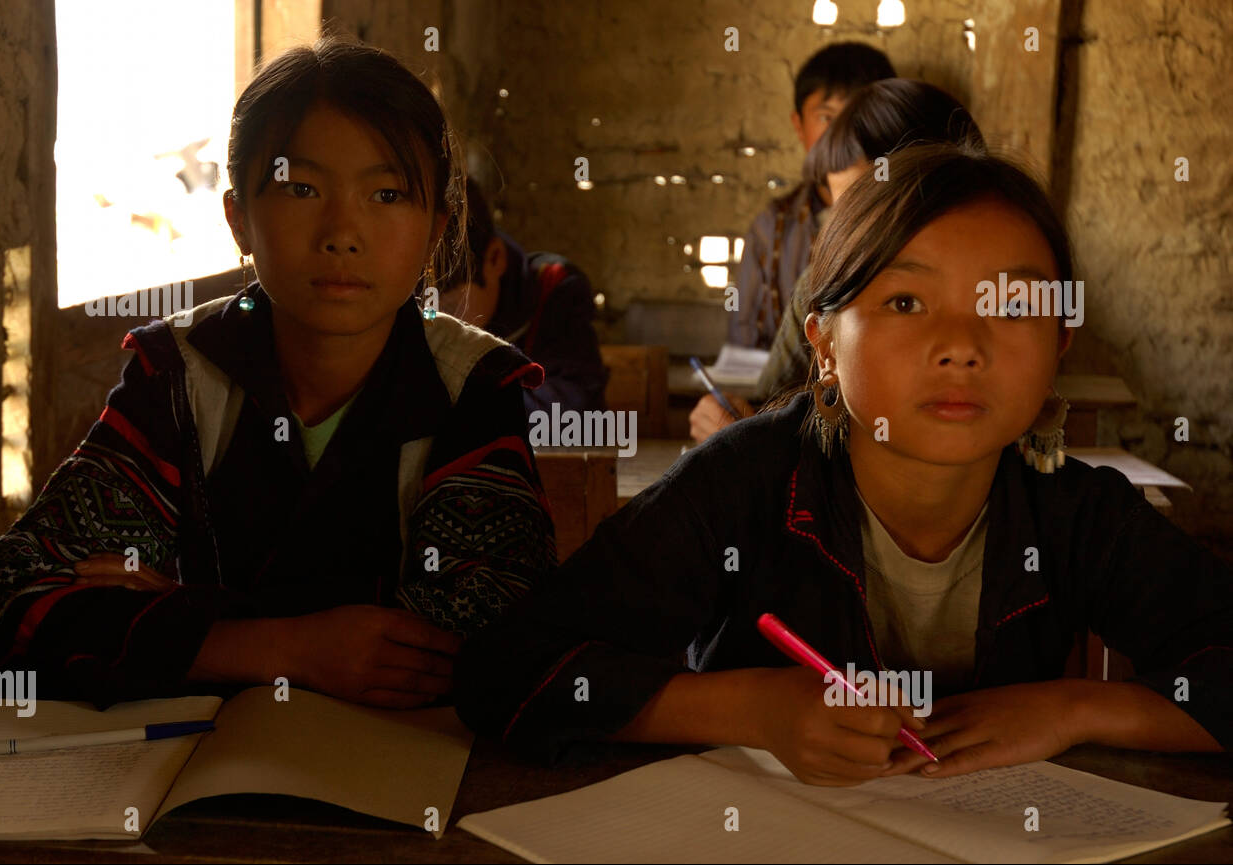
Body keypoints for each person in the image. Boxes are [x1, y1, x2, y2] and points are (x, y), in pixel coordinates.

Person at [455, 144, 1232, 784]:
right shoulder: (749, 481)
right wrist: (757, 710)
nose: (963, 343)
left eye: (1011, 305)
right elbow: (509, 670)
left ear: (1060, 342)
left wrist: (1075, 708)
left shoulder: (1075, 510)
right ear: (823, 339)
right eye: (905, 303)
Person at [0, 36, 556, 711]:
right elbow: (11, 609)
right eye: (300, 187)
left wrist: (196, 617)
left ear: (434, 231)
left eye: (387, 194)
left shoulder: (470, 389)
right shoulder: (181, 375)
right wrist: (287, 648)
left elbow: (485, 642)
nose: (342, 232)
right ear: (239, 219)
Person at [693, 78, 985, 442]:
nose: (853, 237)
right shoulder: (823, 285)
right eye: (842, 213)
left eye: (871, 211)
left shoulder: (1001, 291)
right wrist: (732, 419)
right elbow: (772, 407)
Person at [726, 42, 894, 352]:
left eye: (858, 118)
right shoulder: (771, 228)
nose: (844, 135)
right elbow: (743, 346)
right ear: (799, 125)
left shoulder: (910, 219)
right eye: (827, 118)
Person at [437, 179, 608, 415]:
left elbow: (575, 411)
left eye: (451, 308)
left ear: (495, 259)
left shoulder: (554, 289)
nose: (437, 324)